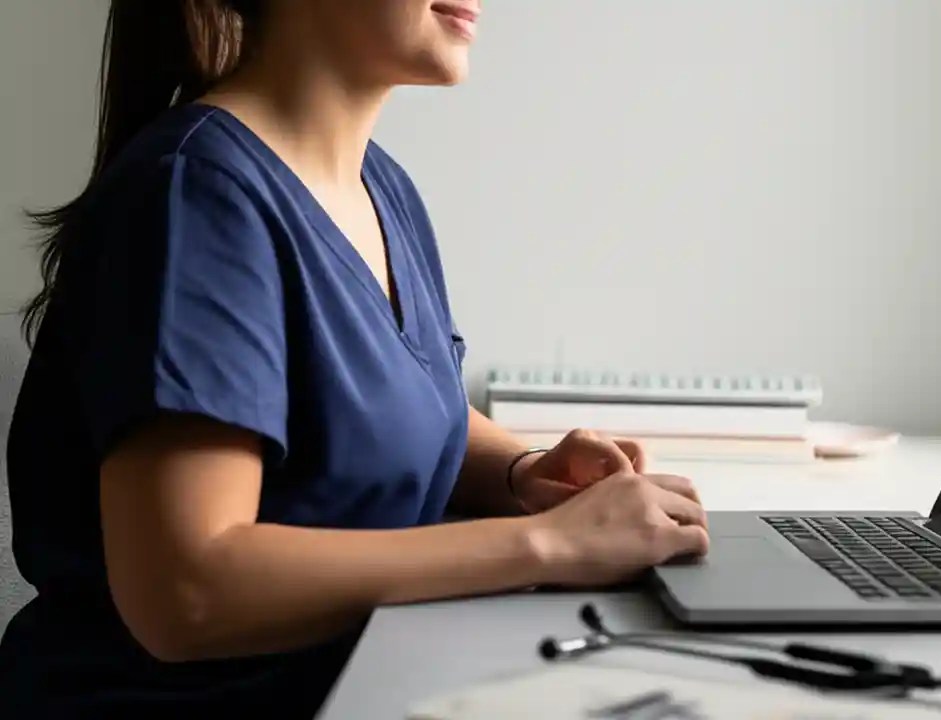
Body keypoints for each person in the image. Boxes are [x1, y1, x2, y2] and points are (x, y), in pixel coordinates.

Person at [0, 1, 710, 716]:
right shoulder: (195, 197)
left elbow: (399, 407)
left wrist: (523, 475)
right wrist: (547, 544)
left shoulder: (381, 187)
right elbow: (186, 590)